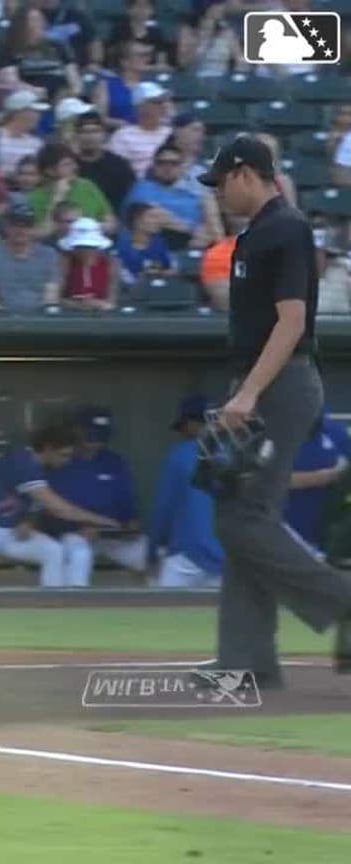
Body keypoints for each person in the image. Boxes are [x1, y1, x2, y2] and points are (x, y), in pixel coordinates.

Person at [199, 133, 351, 681]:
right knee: (241, 514)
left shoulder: (285, 229)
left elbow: (291, 322)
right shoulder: (258, 233)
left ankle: (342, 602)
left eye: (221, 182)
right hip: (262, 381)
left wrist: (248, 393)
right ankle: (246, 662)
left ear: (246, 173)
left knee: (242, 517)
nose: (217, 194)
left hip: (279, 383)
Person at [0, 421, 120, 588]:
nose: (67, 461)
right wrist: (103, 521)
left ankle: (53, 604)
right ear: (48, 449)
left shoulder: (43, 469)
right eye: (64, 455)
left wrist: (28, 522)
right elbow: (59, 508)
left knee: (53, 550)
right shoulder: (22, 460)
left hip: (8, 532)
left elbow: (34, 507)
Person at [44, 406, 147, 587]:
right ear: (77, 431)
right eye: (91, 433)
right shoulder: (62, 460)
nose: (96, 439)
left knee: (153, 555)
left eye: (101, 434)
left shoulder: (114, 462)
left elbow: (127, 502)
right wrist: (75, 528)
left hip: (112, 534)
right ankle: (74, 608)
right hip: (75, 534)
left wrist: (131, 522)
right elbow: (51, 510)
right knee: (79, 554)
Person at [148, 394, 224, 588]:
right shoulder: (238, 453)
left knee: (161, 614)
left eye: (183, 426)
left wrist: (152, 553)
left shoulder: (181, 454)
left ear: (192, 423)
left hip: (187, 555)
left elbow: (163, 510)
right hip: (228, 557)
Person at [284, 411, 351, 557]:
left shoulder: (335, 430)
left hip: (324, 533)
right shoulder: (267, 431)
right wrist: (326, 477)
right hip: (280, 525)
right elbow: (259, 480)